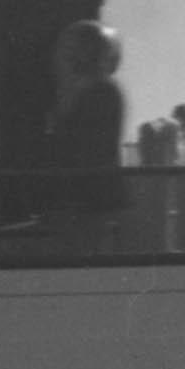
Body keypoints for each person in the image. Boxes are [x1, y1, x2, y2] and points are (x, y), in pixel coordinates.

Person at [43, 19, 127, 248]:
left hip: (91, 201)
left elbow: (87, 146)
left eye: (70, 50)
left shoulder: (103, 91)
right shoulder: (87, 90)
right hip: (79, 200)